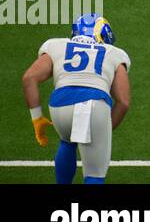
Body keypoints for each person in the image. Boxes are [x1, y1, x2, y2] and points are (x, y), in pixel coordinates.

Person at [22, 13, 131, 183]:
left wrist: (37, 118)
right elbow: (123, 102)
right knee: (95, 174)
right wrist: (104, 128)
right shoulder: (115, 53)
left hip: (59, 107)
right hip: (93, 104)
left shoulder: (55, 45)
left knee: (67, 142)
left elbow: (29, 78)